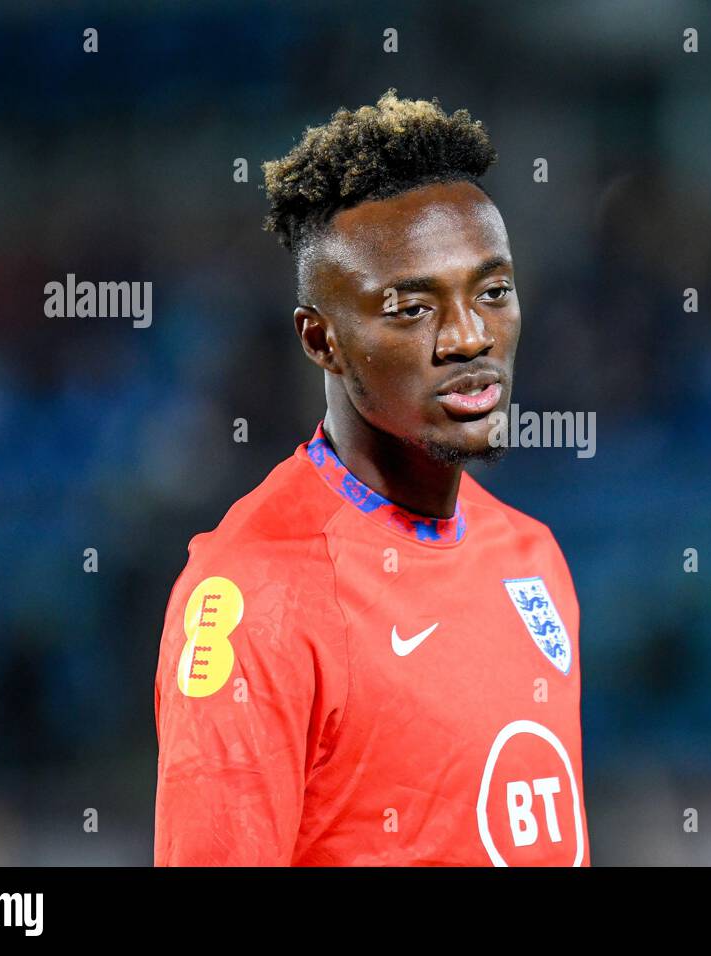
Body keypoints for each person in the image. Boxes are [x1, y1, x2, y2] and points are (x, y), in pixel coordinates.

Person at [153, 89, 589, 866]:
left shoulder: (532, 556)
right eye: (412, 308)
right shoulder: (254, 595)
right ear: (322, 340)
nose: (469, 337)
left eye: (493, 293)